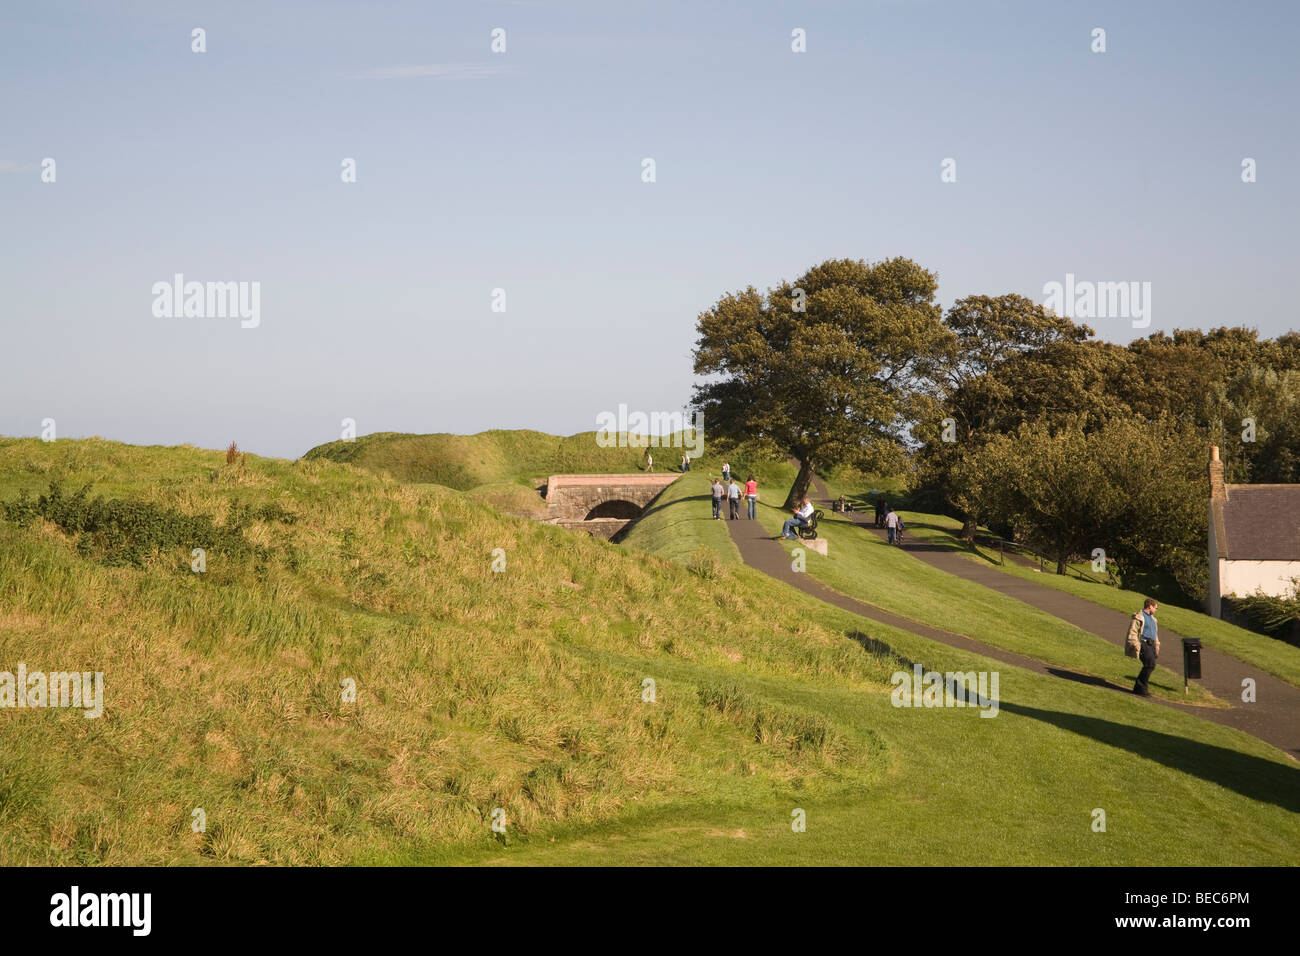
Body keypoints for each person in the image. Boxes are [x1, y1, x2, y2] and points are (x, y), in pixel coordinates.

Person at [1131, 598, 1161, 696]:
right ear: (1150, 606)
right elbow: (1133, 631)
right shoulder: (1140, 617)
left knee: (1151, 665)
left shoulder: (1153, 619)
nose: (1156, 609)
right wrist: (1135, 644)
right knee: (1150, 664)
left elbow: (1155, 634)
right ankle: (1142, 688)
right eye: (1155, 607)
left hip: (1151, 645)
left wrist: (1157, 645)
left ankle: (1138, 687)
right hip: (1144, 643)